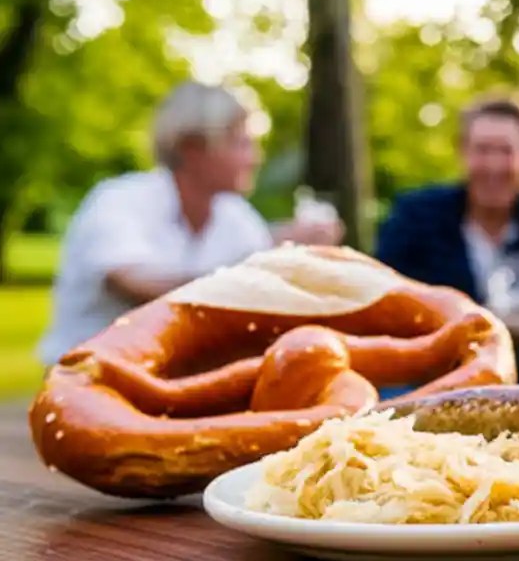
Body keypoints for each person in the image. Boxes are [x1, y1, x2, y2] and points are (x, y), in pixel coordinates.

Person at [38, 81, 344, 366]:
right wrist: (267, 254)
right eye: (241, 143)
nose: (255, 158)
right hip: (89, 374)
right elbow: (135, 287)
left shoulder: (235, 216)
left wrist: (297, 257)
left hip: (170, 379)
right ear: (192, 148)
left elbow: (260, 300)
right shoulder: (120, 201)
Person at [375, 95, 519, 383]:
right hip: (429, 376)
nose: (494, 165)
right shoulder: (416, 216)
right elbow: (382, 294)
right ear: (463, 152)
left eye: (506, 151)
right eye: (482, 150)